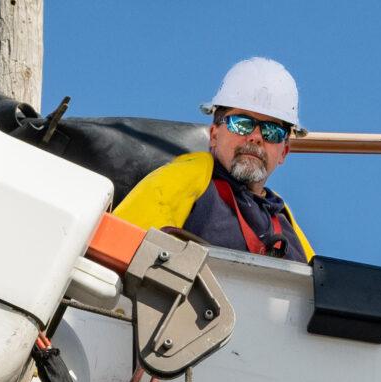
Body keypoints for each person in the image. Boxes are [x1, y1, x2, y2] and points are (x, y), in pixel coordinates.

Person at [115, 58, 314, 261]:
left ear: (284, 152)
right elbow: (118, 247)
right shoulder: (188, 176)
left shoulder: (285, 220)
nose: (255, 137)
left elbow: (323, 278)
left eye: (272, 131)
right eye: (242, 123)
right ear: (214, 134)